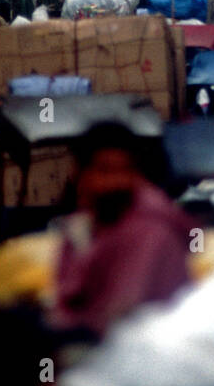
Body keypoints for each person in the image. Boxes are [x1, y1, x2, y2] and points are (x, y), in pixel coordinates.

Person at [47, 123, 196, 340]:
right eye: (104, 171)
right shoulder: (83, 227)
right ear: (80, 174)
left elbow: (122, 316)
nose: (116, 182)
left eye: (125, 171)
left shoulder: (151, 231)